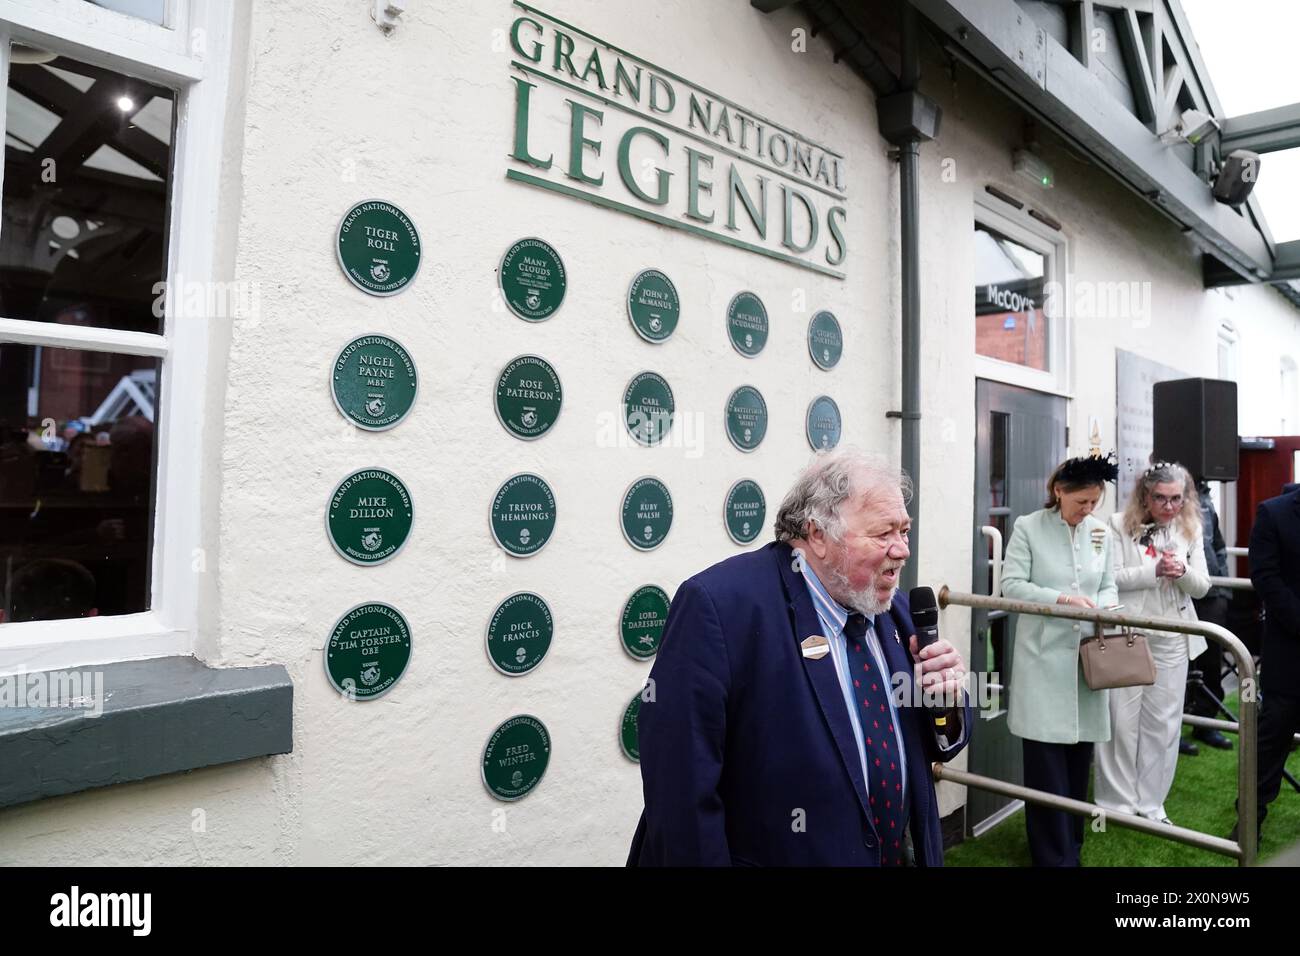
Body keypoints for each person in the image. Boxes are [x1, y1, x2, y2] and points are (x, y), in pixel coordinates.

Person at [627, 449, 970, 866]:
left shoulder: (894, 610)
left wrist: (946, 699)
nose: (901, 550)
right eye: (883, 534)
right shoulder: (720, 608)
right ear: (818, 535)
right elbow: (680, 792)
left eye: (904, 530)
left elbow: (936, 742)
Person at [1001, 453, 1119, 867]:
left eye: (1094, 502)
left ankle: (1072, 845)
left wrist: (1102, 608)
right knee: (1045, 770)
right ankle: (1052, 858)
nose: (1088, 511)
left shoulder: (1101, 531)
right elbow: (1011, 587)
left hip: (1088, 665)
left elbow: (1109, 586)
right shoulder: (1028, 527)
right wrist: (1063, 601)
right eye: (1081, 503)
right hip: (1043, 663)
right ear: (1058, 492)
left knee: (1076, 764)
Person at [1094, 461, 1209, 825]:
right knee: (1120, 722)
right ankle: (1116, 804)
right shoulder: (1116, 525)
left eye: (1176, 499)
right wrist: (1152, 572)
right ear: (1145, 495)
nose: (1169, 506)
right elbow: (1106, 579)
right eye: (1161, 498)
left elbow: (1204, 586)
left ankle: (1152, 803)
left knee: (1165, 723)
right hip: (1127, 631)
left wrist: (1184, 572)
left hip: (1173, 634)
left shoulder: (1191, 527)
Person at [1239, 483, 1300, 840]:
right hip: (1290, 654)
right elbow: (1264, 575)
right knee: (1272, 738)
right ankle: (1249, 820)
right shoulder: (1273, 512)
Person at [1185, 477, 1233, 752]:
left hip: (1211, 595)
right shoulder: (1162, 498)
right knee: (1180, 664)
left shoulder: (1205, 499)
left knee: (1211, 662)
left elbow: (1218, 547)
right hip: (1179, 594)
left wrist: (1223, 589)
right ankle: (1176, 727)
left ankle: (1206, 723)